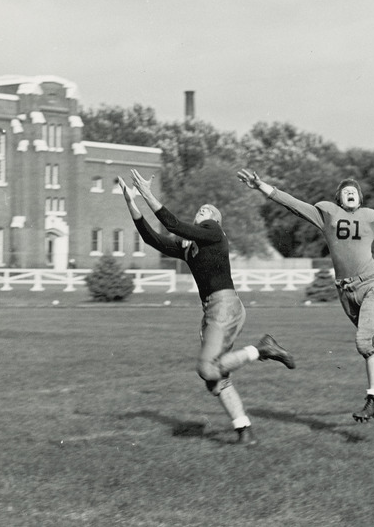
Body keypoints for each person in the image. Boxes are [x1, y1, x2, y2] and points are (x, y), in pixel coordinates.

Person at [237, 168, 374, 423]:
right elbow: (293, 203)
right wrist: (261, 186)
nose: (350, 193)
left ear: (360, 198)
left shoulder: (369, 218)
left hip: (371, 286)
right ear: (338, 198)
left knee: (365, 342)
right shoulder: (327, 214)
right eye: (345, 191)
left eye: (354, 191)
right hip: (346, 292)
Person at [119, 169, 295, 445]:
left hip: (225, 306)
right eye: (201, 209)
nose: (203, 209)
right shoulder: (189, 245)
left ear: (216, 220)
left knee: (206, 368)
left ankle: (262, 349)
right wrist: (132, 203)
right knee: (215, 378)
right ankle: (244, 430)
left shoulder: (213, 231)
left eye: (208, 210)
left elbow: (174, 225)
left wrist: (147, 194)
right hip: (212, 310)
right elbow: (153, 239)